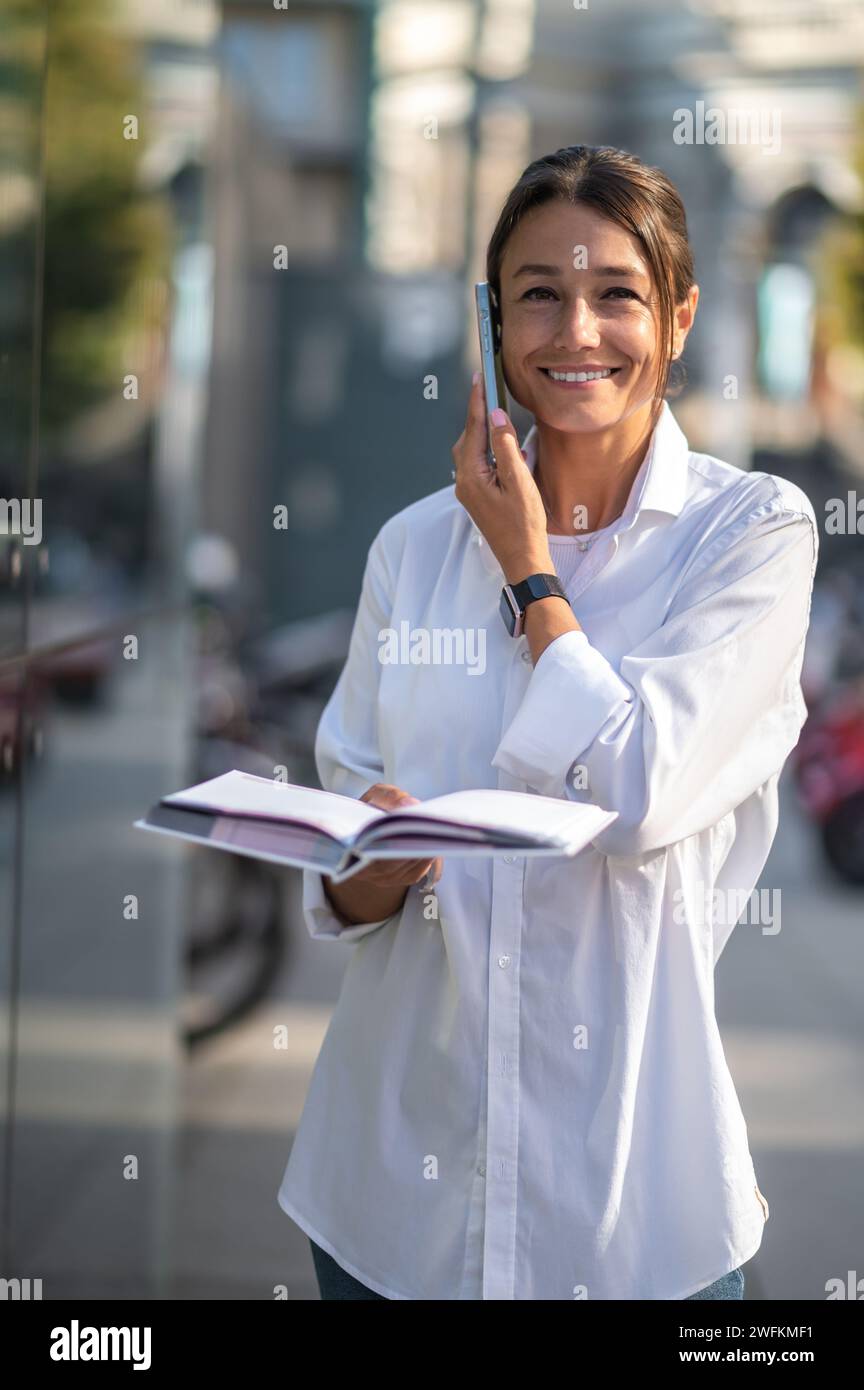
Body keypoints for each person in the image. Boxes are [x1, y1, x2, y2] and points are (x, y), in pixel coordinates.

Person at [277, 144, 816, 1300]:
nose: (576, 332)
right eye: (538, 295)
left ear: (677, 318)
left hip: (629, 1210)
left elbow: (637, 794)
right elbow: (339, 862)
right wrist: (373, 858)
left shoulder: (753, 536)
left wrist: (527, 567)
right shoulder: (413, 547)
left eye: (616, 292)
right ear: (492, 323)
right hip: (392, 1201)